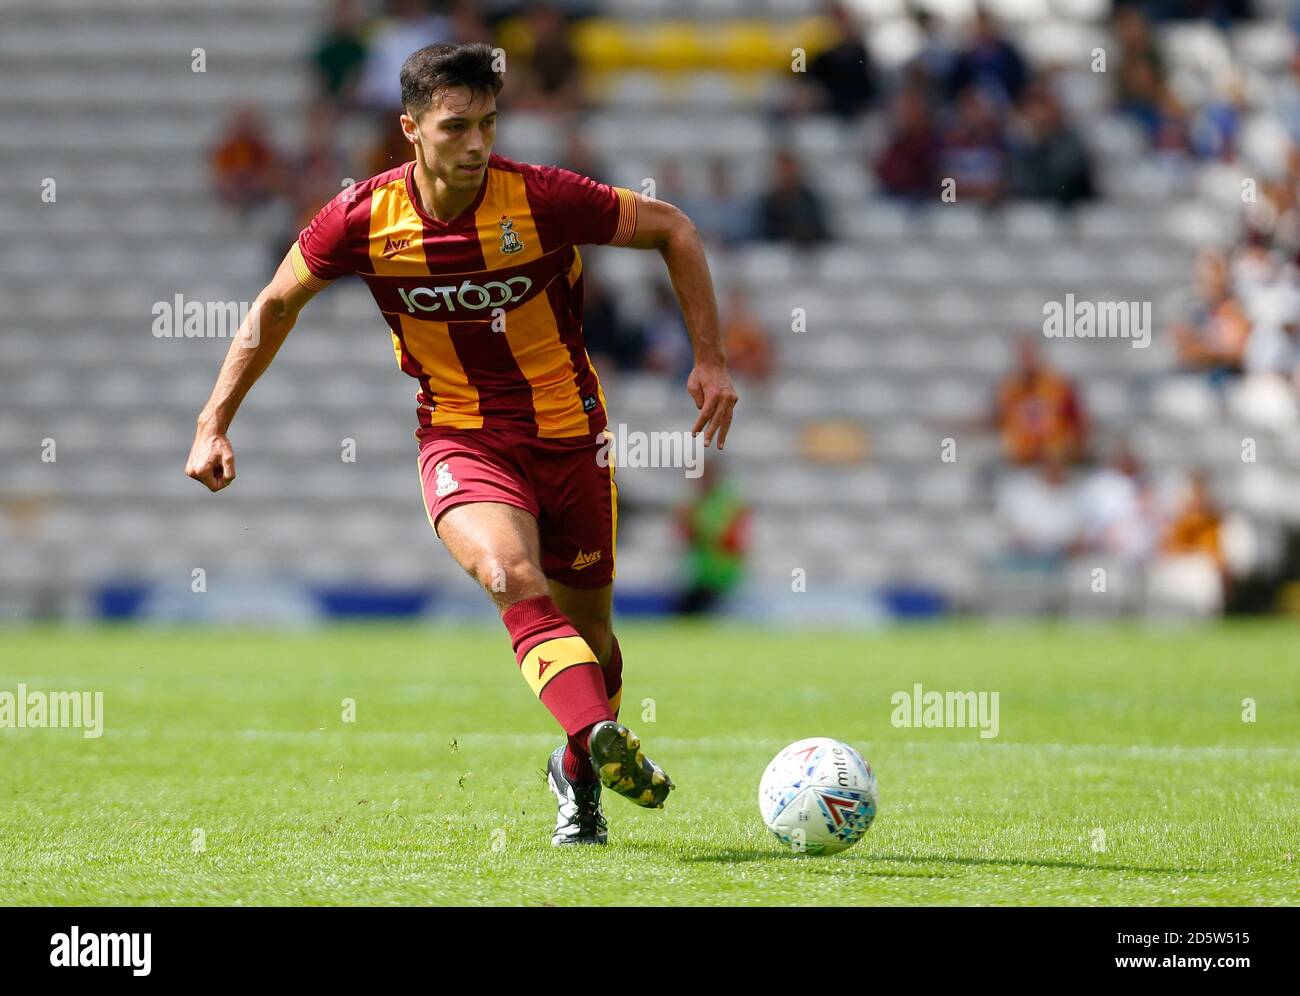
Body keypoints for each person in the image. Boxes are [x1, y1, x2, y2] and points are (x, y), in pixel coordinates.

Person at [185, 43, 739, 846]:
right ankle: (594, 741)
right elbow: (274, 305)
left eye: (487, 123)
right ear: (410, 128)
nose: (476, 143)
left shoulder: (542, 198)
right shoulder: (363, 219)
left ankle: (577, 768)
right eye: (456, 127)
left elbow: (675, 230)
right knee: (506, 573)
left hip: (571, 438)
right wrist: (213, 420)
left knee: (592, 645)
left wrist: (711, 358)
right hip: (461, 437)